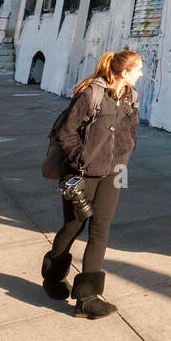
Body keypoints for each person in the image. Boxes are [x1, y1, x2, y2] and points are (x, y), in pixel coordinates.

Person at [41, 50, 142, 319]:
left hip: (113, 172)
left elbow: (131, 132)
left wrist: (125, 155)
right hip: (82, 173)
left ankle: (87, 298)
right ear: (123, 72)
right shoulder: (91, 94)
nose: (141, 73)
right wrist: (79, 158)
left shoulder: (131, 97)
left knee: (101, 229)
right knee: (74, 226)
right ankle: (52, 277)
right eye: (138, 69)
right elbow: (66, 132)